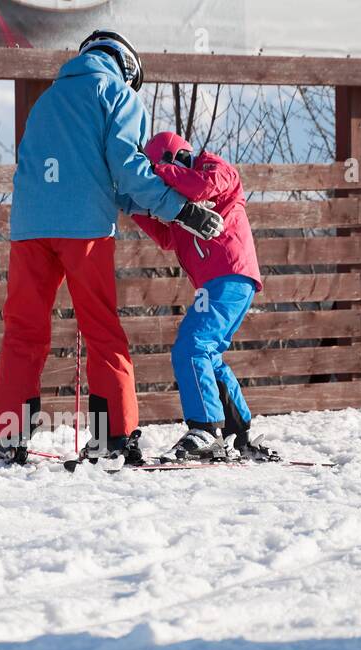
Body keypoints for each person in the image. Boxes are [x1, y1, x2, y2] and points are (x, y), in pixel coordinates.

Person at [0, 30, 226, 465]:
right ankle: (112, 437)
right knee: (100, 331)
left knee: (23, 332)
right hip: (83, 230)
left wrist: (162, 208)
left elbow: (105, 182)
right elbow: (130, 171)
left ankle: (9, 438)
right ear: (127, 67)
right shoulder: (115, 94)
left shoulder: (46, 100)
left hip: (28, 228)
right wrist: (183, 211)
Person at [127, 131, 264, 462]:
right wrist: (134, 206)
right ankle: (239, 431)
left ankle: (205, 428)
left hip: (230, 275)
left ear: (176, 159)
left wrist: (155, 172)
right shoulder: (182, 199)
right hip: (215, 284)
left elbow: (203, 187)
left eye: (166, 168)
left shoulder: (215, 168)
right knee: (207, 353)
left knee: (191, 348)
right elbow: (167, 237)